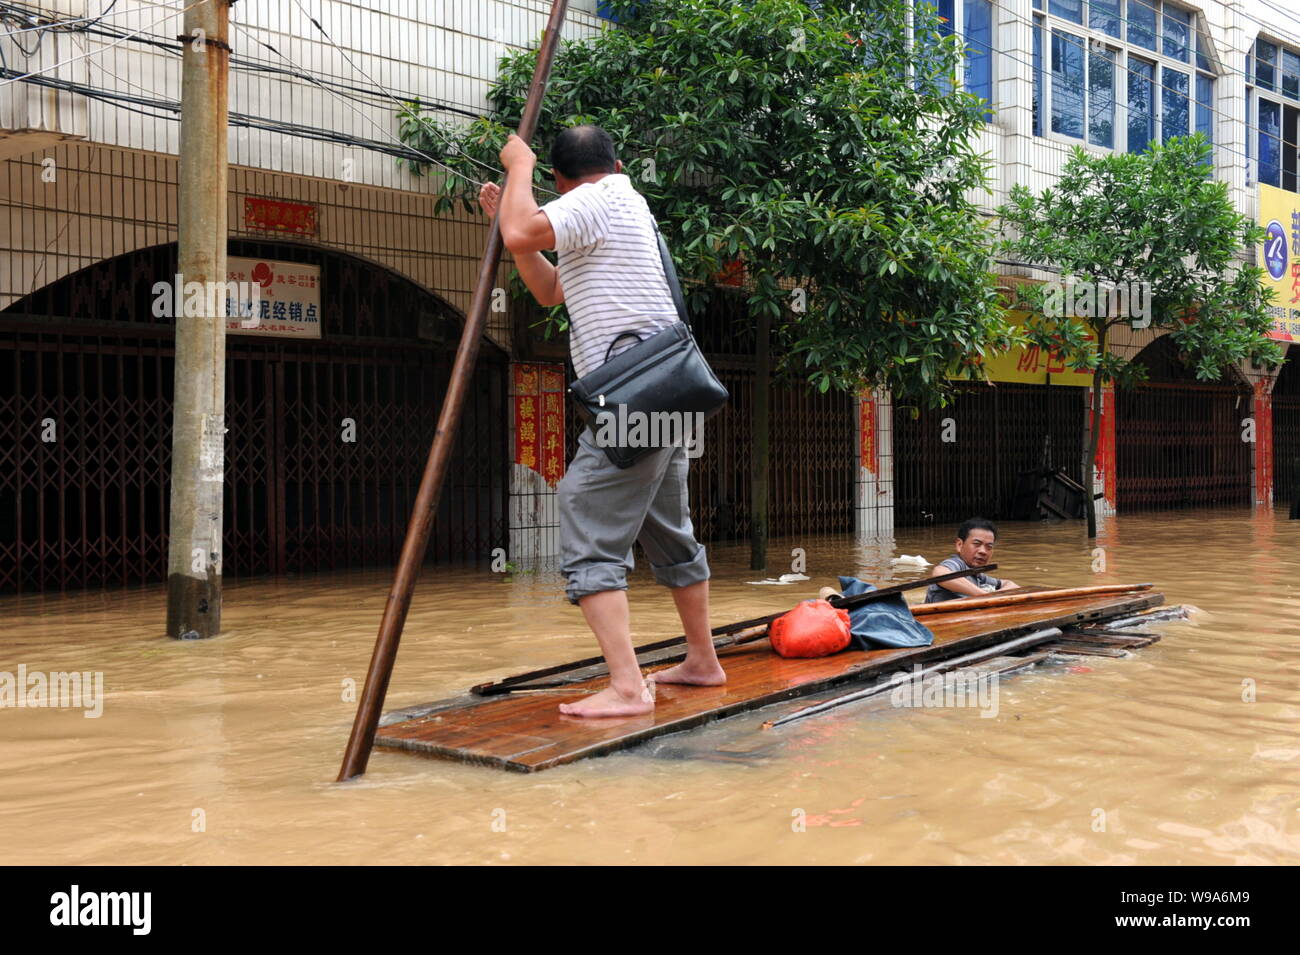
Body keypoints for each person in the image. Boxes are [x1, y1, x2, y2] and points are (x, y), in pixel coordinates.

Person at [480, 125, 723, 717]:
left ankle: (626, 686)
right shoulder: (619, 206)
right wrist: (514, 231)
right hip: (665, 395)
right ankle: (702, 661)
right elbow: (550, 289)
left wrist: (519, 166)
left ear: (561, 181)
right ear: (615, 160)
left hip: (635, 397)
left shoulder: (599, 197)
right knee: (668, 529)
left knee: (584, 507)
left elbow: (522, 225)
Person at [924, 517, 1019, 603]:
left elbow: (1011, 584)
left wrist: (995, 595)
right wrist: (984, 596)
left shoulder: (978, 575)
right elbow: (939, 573)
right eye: (976, 544)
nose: (983, 551)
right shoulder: (957, 564)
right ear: (959, 545)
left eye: (989, 547)